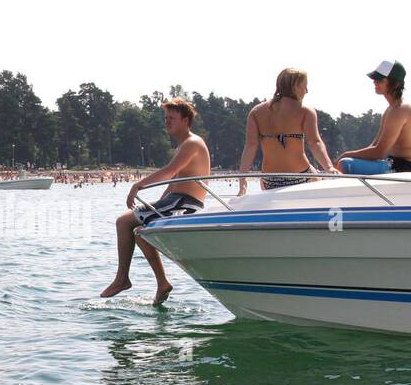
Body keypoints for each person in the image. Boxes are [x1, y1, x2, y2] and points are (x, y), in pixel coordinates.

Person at [100, 97, 210, 306]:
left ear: (186, 120)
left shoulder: (192, 143)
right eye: (165, 118)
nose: (167, 122)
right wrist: (154, 206)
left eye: (172, 118)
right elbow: (174, 181)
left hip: (186, 202)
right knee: (141, 233)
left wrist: (137, 186)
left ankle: (122, 279)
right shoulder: (184, 146)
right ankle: (162, 283)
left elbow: (169, 172)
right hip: (177, 200)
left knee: (123, 222)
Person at [237, 68, 338, 195]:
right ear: (295, 86)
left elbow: (250, 147)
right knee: (318, 179)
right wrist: (329, 167)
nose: (307, 91)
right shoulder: (305, 111)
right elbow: (314, 143)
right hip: (301, 177)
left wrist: (242, 179)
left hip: (270, 181)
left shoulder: (256, 112)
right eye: (304, 86)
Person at [336, 60, 411, 174]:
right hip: (397, 164)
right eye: (374, 79)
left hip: (410, 169)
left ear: (395, 84)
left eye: (379, 79)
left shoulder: (400, 110)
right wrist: (352, 156)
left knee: (345, 164)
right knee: (346, 162)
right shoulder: (391, 110)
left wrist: (346, 154)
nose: (374, 82)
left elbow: (379, 152)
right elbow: (374, 146)